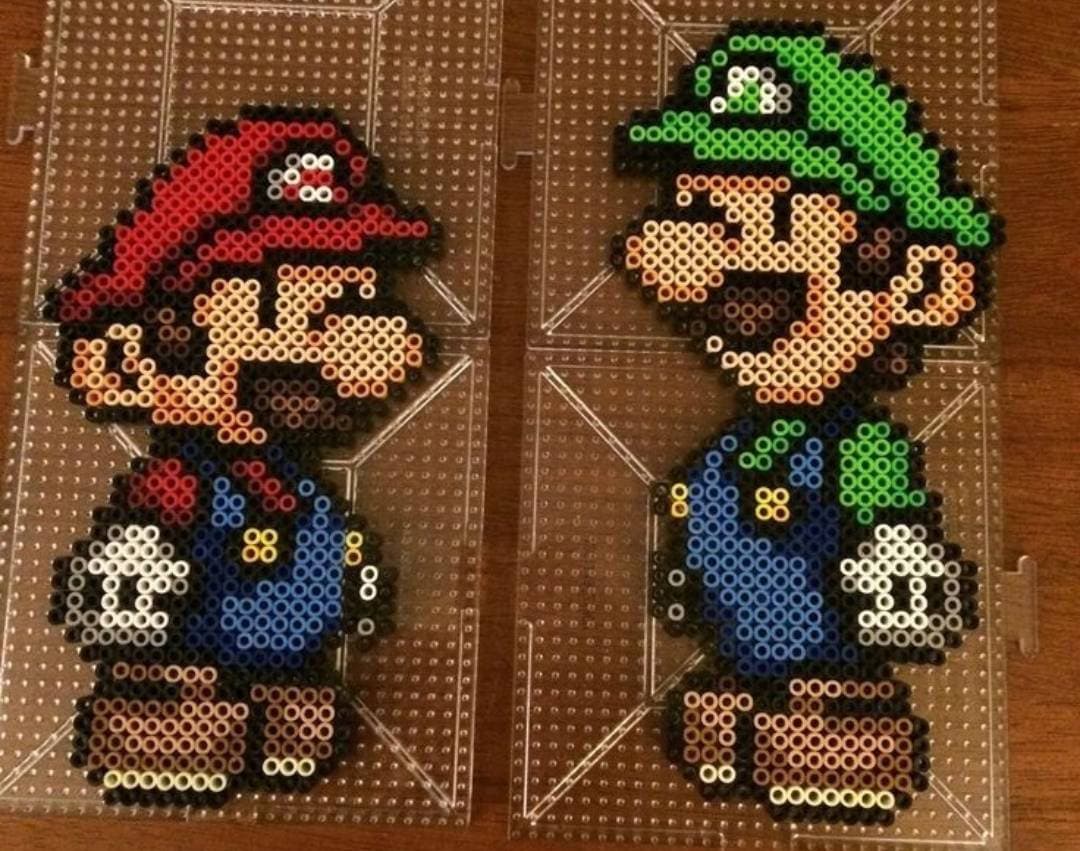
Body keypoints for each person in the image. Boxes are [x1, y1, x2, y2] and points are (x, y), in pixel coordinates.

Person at [610, 21, 1002, 824]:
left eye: (782, 221)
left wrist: (902, 576)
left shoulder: (857, 446)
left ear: (914, 280)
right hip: (742, 662)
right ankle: (774, 715)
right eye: (702, 214)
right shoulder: (733, 447)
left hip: (831, 670)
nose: (728, 263)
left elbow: (896, 540)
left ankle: (841, 729)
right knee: (721, 726)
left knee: (818, 736)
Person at [46, 106, 440, 806]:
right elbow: (130, 565)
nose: (345, 339)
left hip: (286, 662)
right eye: (302, 314)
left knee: (301, 720)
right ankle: (161, 712)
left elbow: (336, 549)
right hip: (187, 664)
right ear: (159, 342)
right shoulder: (180, 481)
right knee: (185, 716)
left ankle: (268, 703)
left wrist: (357, 588)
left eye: (354, 299)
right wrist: (133, 620)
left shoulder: (293, 480)